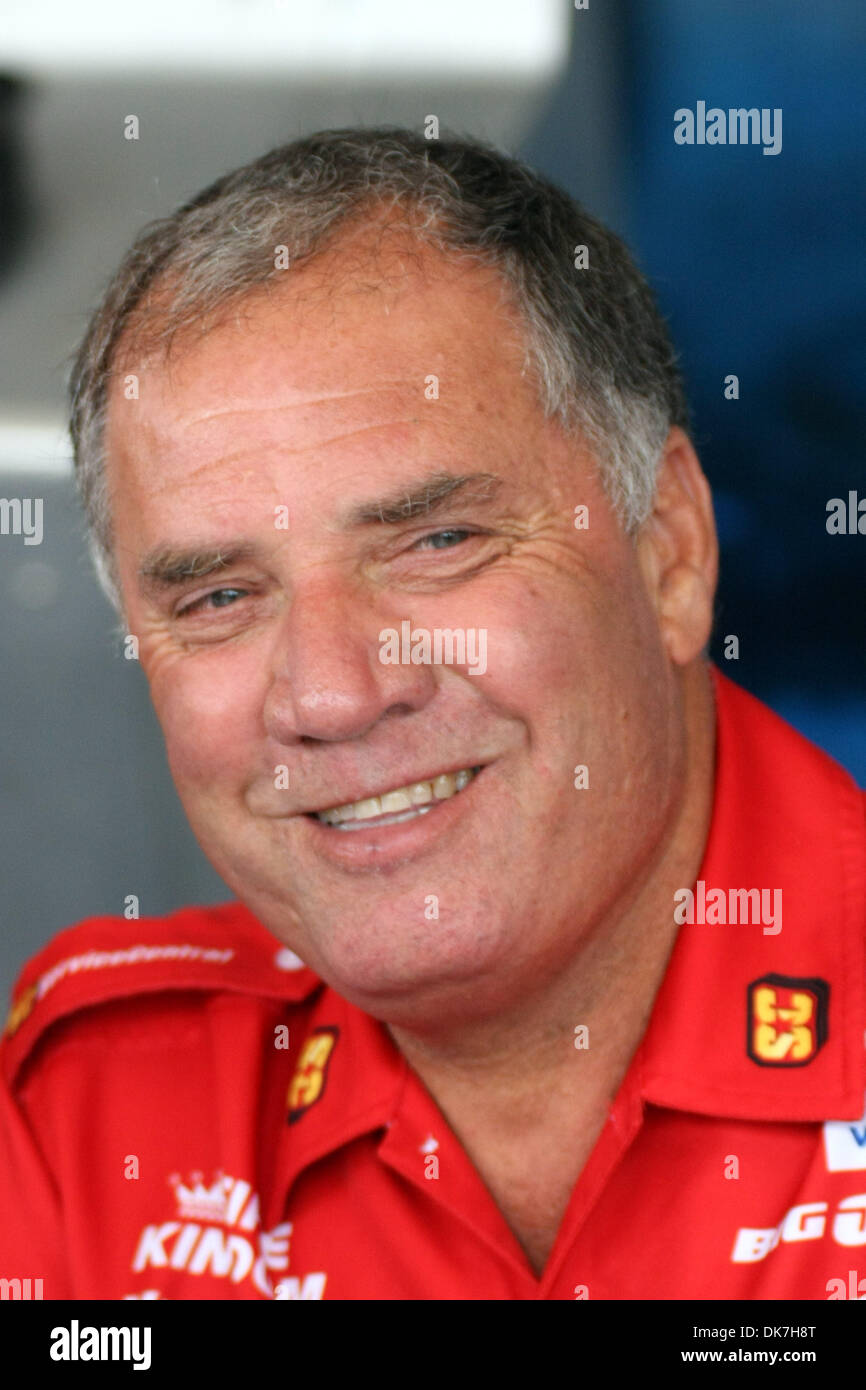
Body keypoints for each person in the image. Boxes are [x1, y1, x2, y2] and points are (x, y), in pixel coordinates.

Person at [1, 127, 863, 1302]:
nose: (334, 694)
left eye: (434, 542)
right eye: (218, 596)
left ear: (666, 549)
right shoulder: (85, 1118)